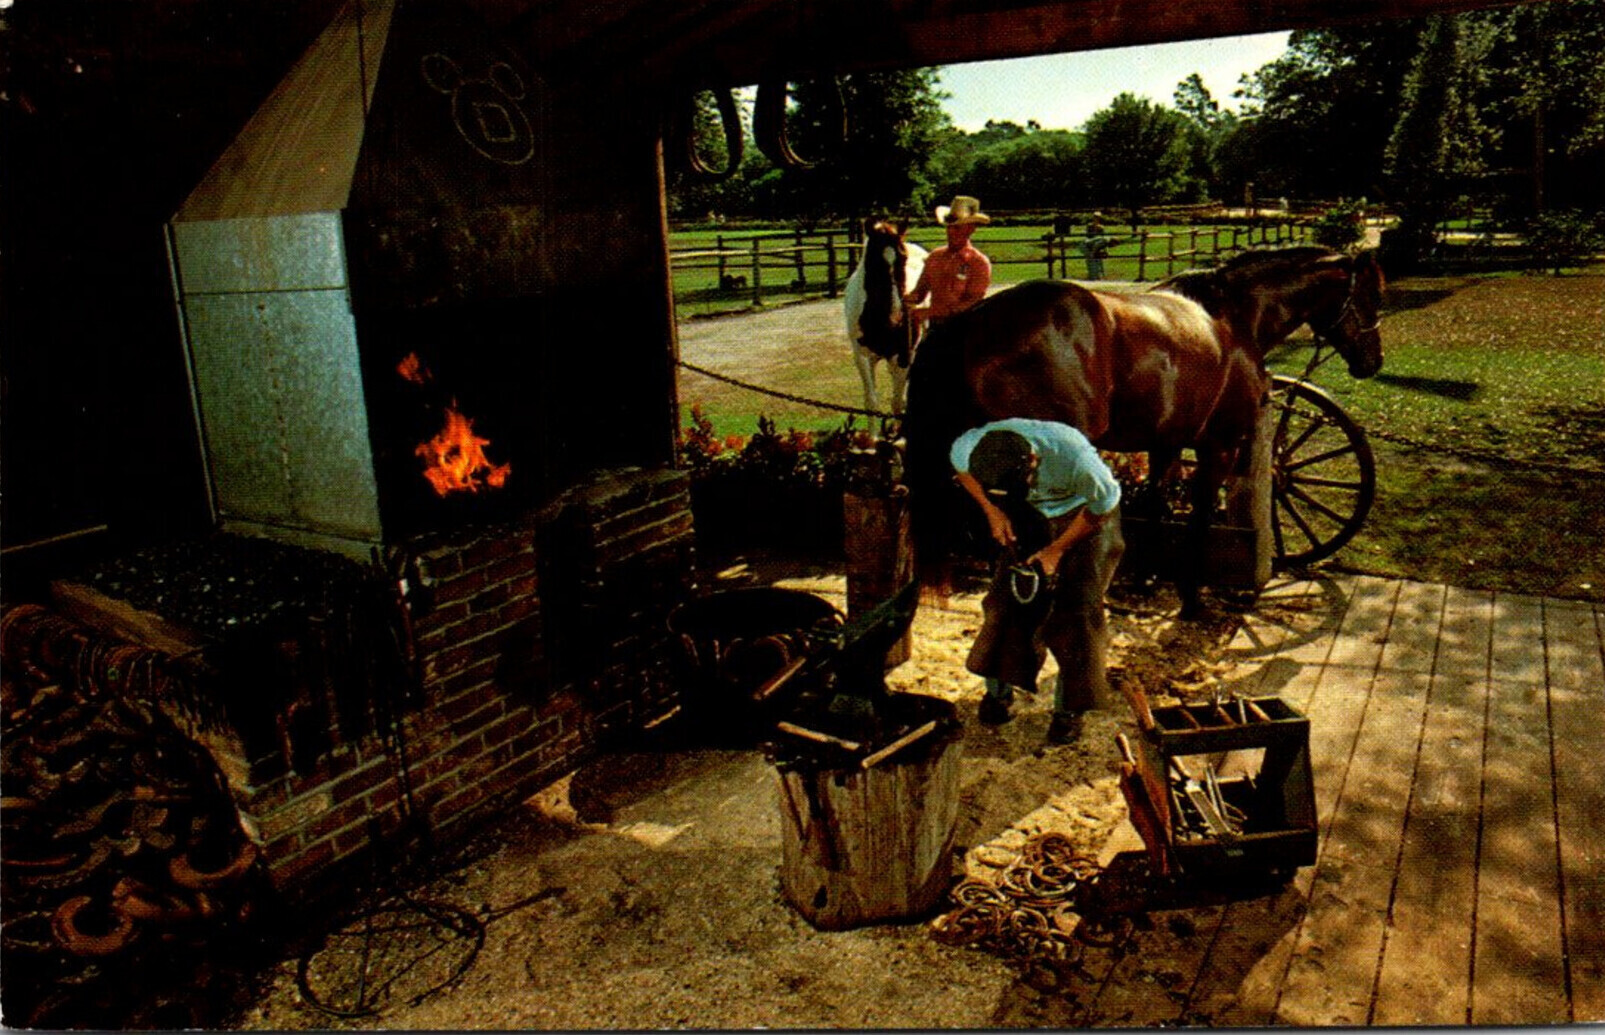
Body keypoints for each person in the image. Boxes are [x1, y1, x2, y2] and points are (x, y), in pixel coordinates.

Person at [949, 418, 1125, 744]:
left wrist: (1056, 550)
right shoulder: (972, 445)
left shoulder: (1075, 458)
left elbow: (1103, 506)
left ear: (1033, 461)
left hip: (1083, 515)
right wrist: (993, 511)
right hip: (1029, 514)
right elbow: (960, 468)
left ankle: (1068, 711)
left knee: (1076, 615)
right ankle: (998, 692)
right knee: (1006, 603)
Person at [904, 195, 993, 328]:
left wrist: (931, 312)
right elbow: (919, 293)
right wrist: (903, 298)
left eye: (957, 227)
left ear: (971, 229)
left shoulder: (978, 263)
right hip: (936, 329)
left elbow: (973, 302)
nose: (951, 231)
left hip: (966, 332)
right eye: (948, 227)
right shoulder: (935, 257)